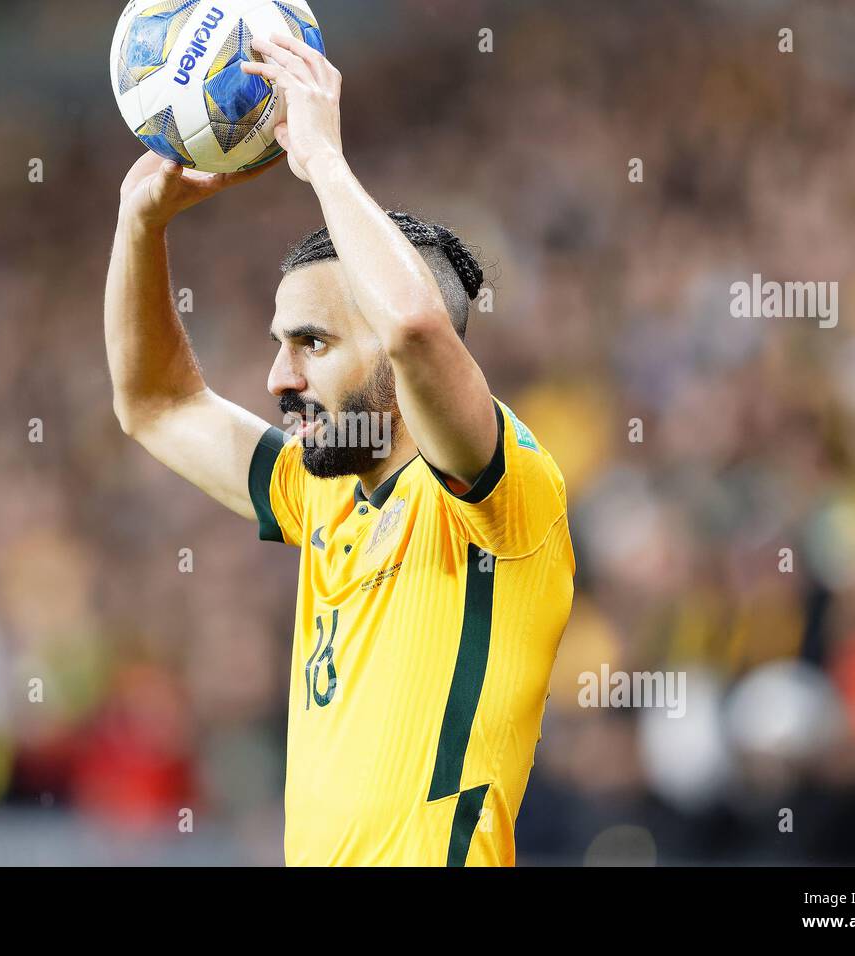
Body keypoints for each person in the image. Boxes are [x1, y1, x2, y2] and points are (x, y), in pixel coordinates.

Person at [104, 32, 575, 865]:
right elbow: (154, 403)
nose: (278, 375)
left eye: (312, 343)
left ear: (390, 359)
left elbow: (418, 323)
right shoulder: (323, 490)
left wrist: (320, 156)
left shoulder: (500, 496)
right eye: (281, 342)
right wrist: (139, 224)